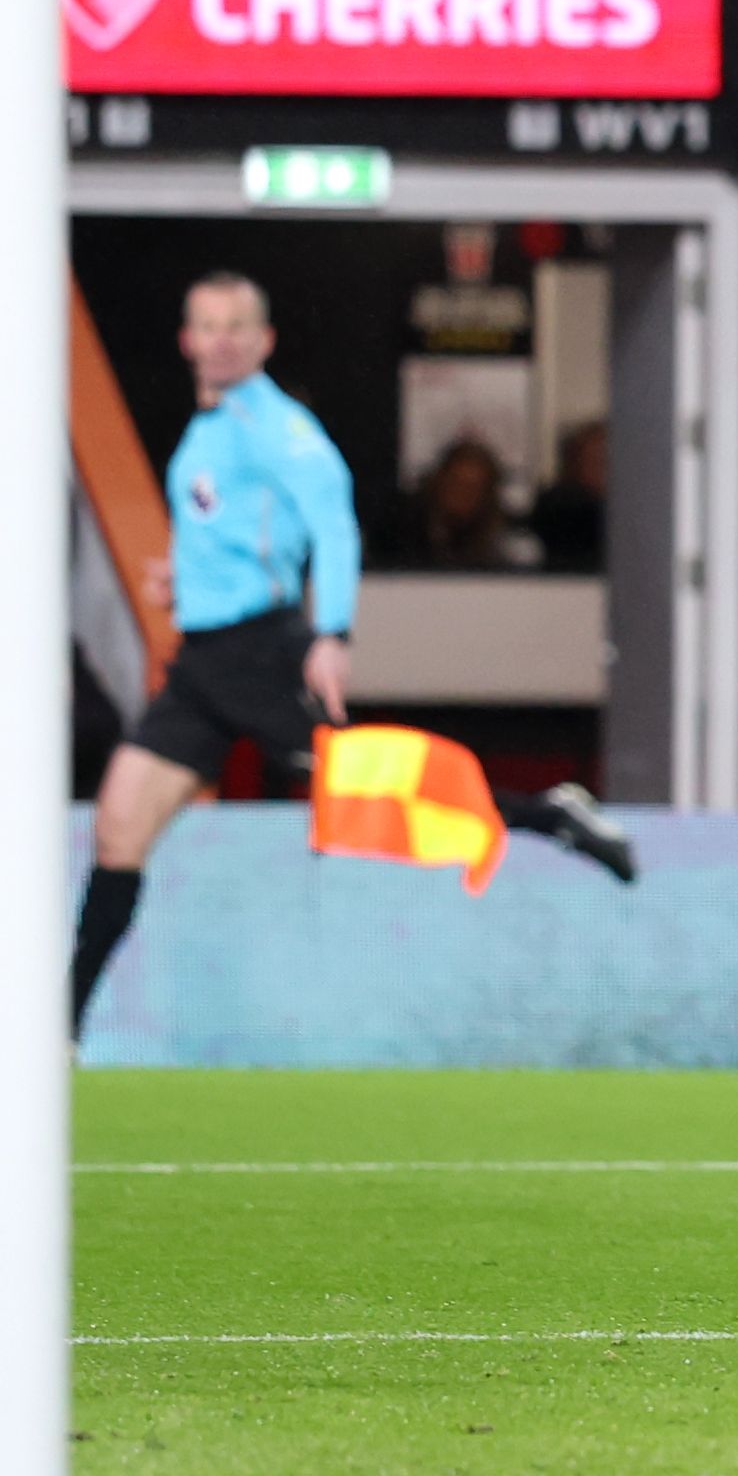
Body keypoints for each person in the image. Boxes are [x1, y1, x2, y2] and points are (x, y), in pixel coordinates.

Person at [72, 275, 633, 1032]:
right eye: (209, 325)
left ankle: (549, 813)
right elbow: (238, 529)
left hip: (260, 650)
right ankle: (60, 1029)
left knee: (376, 782)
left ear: (264, 341)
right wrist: (187, 577)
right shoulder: (211, 427)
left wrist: (331, 633)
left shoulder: (276, 425)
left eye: (238, 325)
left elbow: (331, 523)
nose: (223, 339)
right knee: (118, 829)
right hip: (203, 661)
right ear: (187, 340)